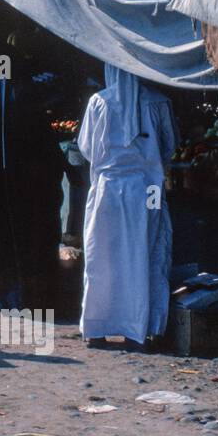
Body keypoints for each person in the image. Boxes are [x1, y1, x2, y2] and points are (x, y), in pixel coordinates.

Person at [76, 65, 177, 350]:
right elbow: (170, 145)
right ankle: (139, 328)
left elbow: (86, 147)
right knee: (142, 255)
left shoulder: (99, 102)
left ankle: (98, 327)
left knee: (103, 258)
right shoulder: (158, 102)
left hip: (108, 188)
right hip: (147, 189)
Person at [0, 40, 65, 310]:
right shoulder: (25, 95)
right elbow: (46, 144)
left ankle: (8, 294)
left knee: (1, 238)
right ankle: (35, 296)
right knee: (31, 238)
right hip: (30, 188)